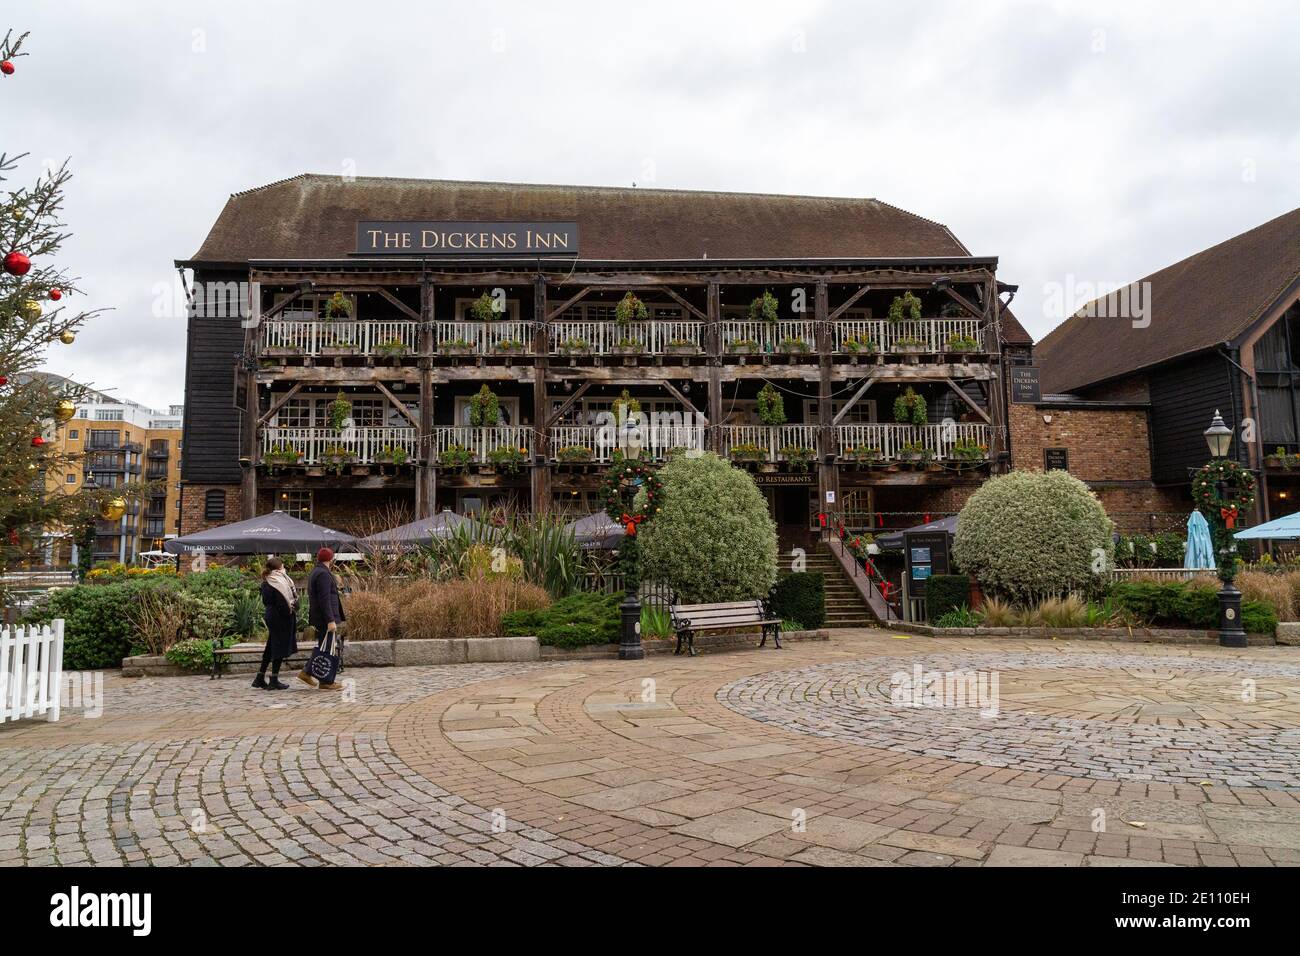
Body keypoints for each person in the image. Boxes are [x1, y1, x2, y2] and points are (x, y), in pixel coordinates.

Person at [299, 547, 345, 690]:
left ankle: (309, 673)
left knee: (324, 646)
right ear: (331, 559)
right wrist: (330, 620)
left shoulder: (315, 572)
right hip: (325, 618)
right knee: (327, 648)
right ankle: (324, 681)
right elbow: (324, 598)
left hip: (320, 617)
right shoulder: (323, 574)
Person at [253, 557, 298, 690]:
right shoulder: (278, 582)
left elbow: (266, 601)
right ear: (279, 567)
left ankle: (260, 677)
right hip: (280, 617)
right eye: (283, 565)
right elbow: (282, 603)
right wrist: (291, 610)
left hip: (271, 615)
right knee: (278, 647)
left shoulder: (266, 581)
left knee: (271, 646)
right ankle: (273, 679)